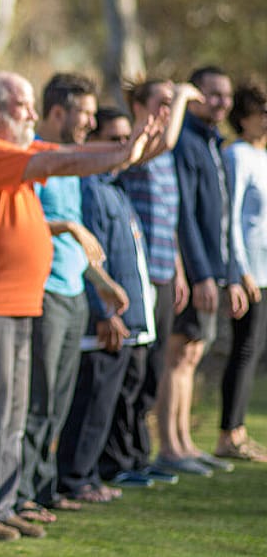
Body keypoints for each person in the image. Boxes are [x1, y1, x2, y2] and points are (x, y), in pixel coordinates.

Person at [0, 71, 154, 541]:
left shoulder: (16, 154)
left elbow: (69, 156)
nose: (33, 115)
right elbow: (64, 161)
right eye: (23, 106)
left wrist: (126, 151)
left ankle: (0, 502)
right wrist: (123, 150)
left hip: (19, 303)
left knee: (14, 415)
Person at [20, 74, 117, 516]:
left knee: (58, 402)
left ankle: (44, 489)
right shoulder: (36, 158)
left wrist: (103, 284)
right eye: (85, 112)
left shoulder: (70, 161)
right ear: (58, 112)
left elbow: (77, 236)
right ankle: (21, 495)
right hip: (44, 293)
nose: (92, 121)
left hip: (74, 292)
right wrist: (69, 227)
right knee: (37, 402)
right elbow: (20, 223)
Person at [57, 108, 160, 501]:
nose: (123, 148)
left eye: (125, 139)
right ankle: (75, 478)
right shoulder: (89, 188)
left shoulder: (115, 187)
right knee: (89, 404)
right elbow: (93, 258)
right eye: (114, 139)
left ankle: (86, 476)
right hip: (103, 321)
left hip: (126, 319)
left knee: (104, 404)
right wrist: (106, 313)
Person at [102, 78, 199, 486]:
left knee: (150, 372)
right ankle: (120, 460)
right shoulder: (139, 148)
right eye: (159, 101)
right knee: (132, 373)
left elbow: (168, 215)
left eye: (168, 102)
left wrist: (178, 267)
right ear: (139, 105)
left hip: (162, 272)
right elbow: (166, 140)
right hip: (136, 277)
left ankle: (139, 456)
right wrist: (182, 99)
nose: (165, 108)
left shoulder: (163, 154)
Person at [157, 66, 247, 477]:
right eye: (213, 94)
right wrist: (201, 275)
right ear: (194, 98)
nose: (222, 102)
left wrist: (227, 274)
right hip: (197, 273)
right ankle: (170, 447)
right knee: (179, 354)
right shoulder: (187, 144)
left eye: (226, 95)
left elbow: (223, 220)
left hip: (215, 270)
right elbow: (185, 216)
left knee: (192, 355)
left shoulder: (214, 144)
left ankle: (185, 442)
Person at [216, 82, 267, 461]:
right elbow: (230, 218)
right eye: (261, 111)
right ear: (244, 117)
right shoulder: (237, 156)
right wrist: (241, 271)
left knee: (255, 349)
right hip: (249, 272)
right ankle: (226, 435)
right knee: (244, 348)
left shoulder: (263, 157)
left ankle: (240, 430)